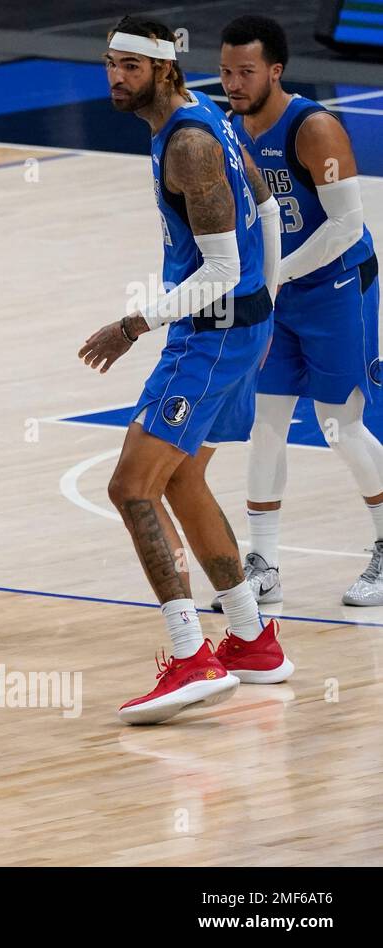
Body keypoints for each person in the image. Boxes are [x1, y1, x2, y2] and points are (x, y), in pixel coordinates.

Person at [80, 16, 293, 726]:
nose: (116, 78)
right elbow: (265, 204)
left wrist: (131, 325)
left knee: (131, 487)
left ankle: (191, 654)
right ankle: (253, 638)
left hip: (210, 336)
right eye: (110, 64)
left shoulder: (191, 144)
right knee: (184, 478)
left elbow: (223, 268)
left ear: (163, 70)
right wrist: (267, 307)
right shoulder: (207, 116)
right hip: (238, 329)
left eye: (130, 67)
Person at [218, 15, 382, 607]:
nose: (233, 83)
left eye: (246, 72)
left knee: (340, 425)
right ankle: (264, 564)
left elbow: (346, 226)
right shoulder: (228, 130)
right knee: (265, 423)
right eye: (226, 72)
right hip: (278, 292)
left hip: (336, 287)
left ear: (276, 71)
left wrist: (274, 275)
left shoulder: (314, 128)